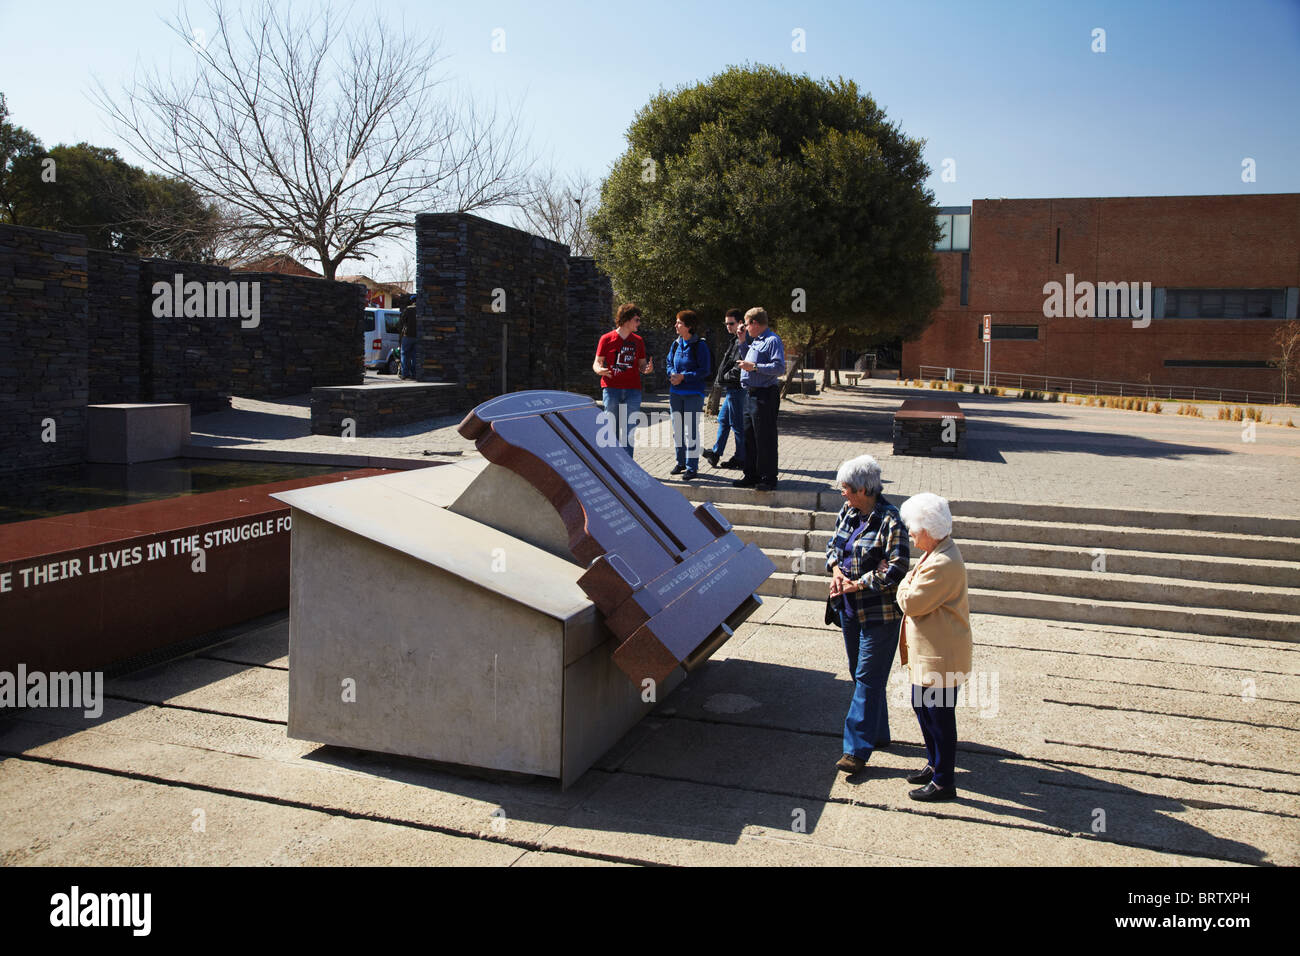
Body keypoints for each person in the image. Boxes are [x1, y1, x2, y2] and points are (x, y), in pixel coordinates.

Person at [826, 455, 910, 775]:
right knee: (862, 676)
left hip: (880, 615)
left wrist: (856, 585)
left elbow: (895, 569)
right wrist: (835, 571)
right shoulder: (848, 512)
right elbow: (833, 546)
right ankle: (878, 733)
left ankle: (856, 750)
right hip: (849, 611)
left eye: (845, 488)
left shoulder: (892, 520)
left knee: (867, 678)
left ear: (863, 489)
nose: (842, 493)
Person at [895, 492, 972, 802]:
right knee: (922, 707)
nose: (910, 535)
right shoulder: (937, 551)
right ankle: (934, 762)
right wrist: (910, 579)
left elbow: (910, 602)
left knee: (939, 717)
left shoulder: (942, 562)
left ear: (926, 529)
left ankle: (944, 781)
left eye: (913, 529)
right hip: (929, 654)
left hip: (940, 656)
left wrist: (904, 582)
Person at [732, 307, 785, 491]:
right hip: (751, 394)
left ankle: (768, 478)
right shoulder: (755, 341)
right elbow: (748, 359)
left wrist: (754, 367)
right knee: (749, 437)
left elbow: (779, 368)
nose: (745, 328)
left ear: (755, 323)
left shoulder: (772, 340)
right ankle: (751, 474)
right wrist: (741, 341)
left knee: (765, 437)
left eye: (746, 324)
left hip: (765, 394)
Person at [594, 303, 652, 457]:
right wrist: (599, 369)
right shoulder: (606, 339)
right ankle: (612, 463)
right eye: (637, 320)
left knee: (629, 429)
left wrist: (647, 369)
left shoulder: (638, 340)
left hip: (633, 390)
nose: (639, 323)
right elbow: (597, 362)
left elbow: (642, 365)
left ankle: (628, 465)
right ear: (626, 320)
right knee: (610, 429)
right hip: (611, 389)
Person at [664, 310, 712, 479]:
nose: (676, 325)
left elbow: (705, 370)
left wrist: (684, 377)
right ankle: (681, 462)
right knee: (677, 430)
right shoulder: (676, 344)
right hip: (675, 393)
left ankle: (692, 467)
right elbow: (669, 362)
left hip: (693, 393)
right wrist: (672, 374)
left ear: (689, 326)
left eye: (679, 323)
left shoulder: (700, 345)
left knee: (690, 431)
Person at [703, 309, 749, 469]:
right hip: (732, 389)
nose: (728, 326)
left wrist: (726, 377)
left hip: (737, 388)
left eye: (731, 323)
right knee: (723, 420)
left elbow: (741, 364)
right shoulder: (735, 340)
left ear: (740, 323)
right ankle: (715, 453)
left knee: (737, 425)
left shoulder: (742, 341)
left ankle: (741, 458)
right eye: (726, 323)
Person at [398, 305, 418, 380]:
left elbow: (401, 322)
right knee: (415, 356)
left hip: (407, 335)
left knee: (404, 355)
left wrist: (400, 332)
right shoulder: (421, 309)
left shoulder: (408, 309)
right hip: (417, 335)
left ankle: (405, 374)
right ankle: (414, 374)